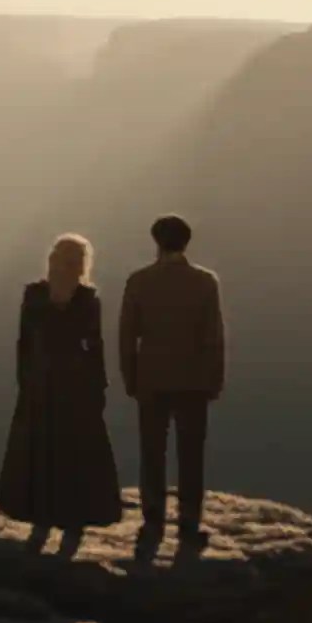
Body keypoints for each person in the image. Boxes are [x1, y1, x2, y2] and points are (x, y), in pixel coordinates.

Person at [0, 233, 123, 532]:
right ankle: (76, 510)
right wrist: (100, 384)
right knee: (77, 446)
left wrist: (24, 379)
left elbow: (24, 343)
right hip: (76, 379)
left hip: (40, 378)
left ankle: (39, 509)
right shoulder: (88, 298)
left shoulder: (34, 294)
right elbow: (94, 346)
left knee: (40, 444)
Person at [119, 214, 225, 543]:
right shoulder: (206, 282)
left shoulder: (138, 281)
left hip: (151, 379)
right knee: (191, 452)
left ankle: (153, 516)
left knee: (152, 450)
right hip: (193, 381)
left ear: (156, 242)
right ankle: (190, 519)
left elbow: (127, 336)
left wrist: (130, 378)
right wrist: (214, 380)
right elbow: (214, 337)